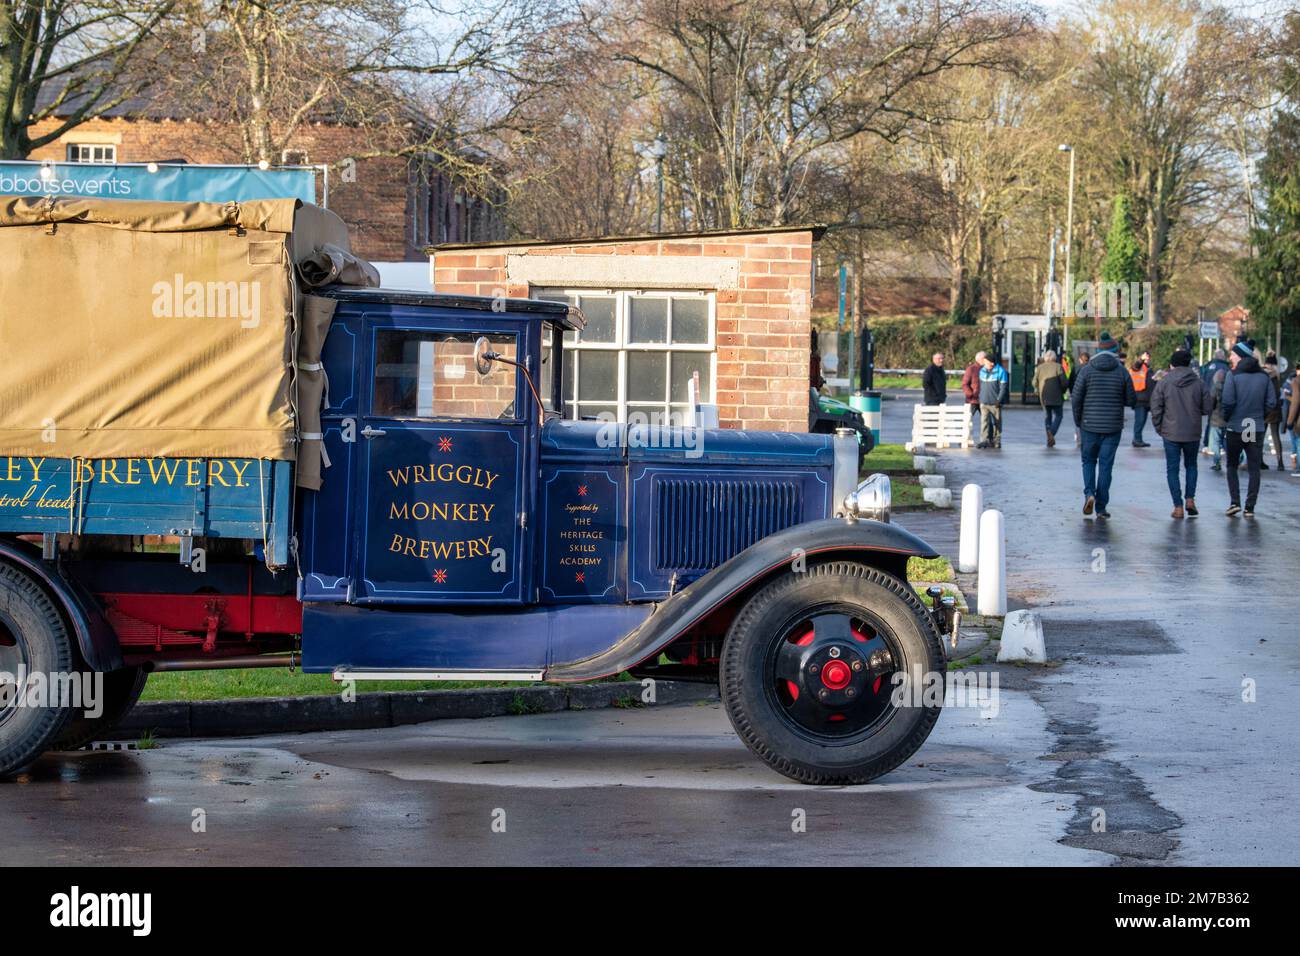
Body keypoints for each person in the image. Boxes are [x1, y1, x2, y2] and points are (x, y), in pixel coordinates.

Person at [1071, 331, 1135, 519]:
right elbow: (1131, 399)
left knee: (1088, 461)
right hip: (1113, 427)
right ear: (1116, 351)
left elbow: (1076, 398)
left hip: (1089, 425)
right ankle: (1101, 507)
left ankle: (1089, 493)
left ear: (1097, 350)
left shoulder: (1086, 370)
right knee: (1106, 466)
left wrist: (1078, 421)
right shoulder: (1122, 371)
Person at [1150, 349, 1211, 519]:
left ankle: (1178, 507)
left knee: (1172, 469)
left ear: (1172, 364)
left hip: (1170, 432)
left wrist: (1159, 427)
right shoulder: (1199, 383)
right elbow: (1207, 407)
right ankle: (1190, 499)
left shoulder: (1164, 382)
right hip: (1192, 432)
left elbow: (1155, 407)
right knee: (1191, 466)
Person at [1221, 341, 1277, 517]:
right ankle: (1250, 507)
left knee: (1231, 465)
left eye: (1233, 354)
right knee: (1254, 467)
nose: (1230, 357)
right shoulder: (1264, 377)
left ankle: (1234, 502)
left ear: (1240, 356)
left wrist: (1227, 417)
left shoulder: (1233, 375)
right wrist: (1260, 414)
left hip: (1236, 426)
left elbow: (1228, 402)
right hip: (1254, 426)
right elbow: (1272, 402)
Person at [1033, 349, 1068, 447]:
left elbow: (1034, 382)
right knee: (1059, 416)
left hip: (1044, 396)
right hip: (1057, 396)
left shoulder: (1040, 368)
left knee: (1047, 416)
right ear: (1054, 358)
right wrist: (1063, 391)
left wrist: (1039, 388)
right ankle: (1051, 433)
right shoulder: (1058, 367)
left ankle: (1049, 433)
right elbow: (1064, 382)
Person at [976, 353, 1009, 448]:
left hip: (995, 403)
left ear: (991, 363)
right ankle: (984, 440)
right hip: (984, 401)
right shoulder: (982, 370)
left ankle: (997, 440)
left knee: (997, 422)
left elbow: (1003, 388)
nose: (983, 363)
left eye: (985, 361)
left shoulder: (1001, 371)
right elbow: (980, 386)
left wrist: (999, 400)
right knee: (984, 422)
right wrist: (980, 397)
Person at [1199, 348, 1229, 452]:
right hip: (1220, 396)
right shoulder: (1225, 367)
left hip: (1207, 396)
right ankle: (1219, 444)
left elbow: (1201, 380)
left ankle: (1207, 442)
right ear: (1222, 356)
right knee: (1221, 422)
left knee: (1210, 420)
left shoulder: (1207, 367)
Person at [1263, 353, 1284, 471]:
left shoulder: (1262, 375)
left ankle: (1259, 461)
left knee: (1260, 436)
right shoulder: (1276, 376)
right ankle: (1280, 462)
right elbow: (1278, 393)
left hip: (1264, 410)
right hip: (1275, 410)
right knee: (1276, 436)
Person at [1129, 350, 1154, 446]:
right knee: (1139, 420)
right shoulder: (1138, 366)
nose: (1147, 359)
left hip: (1147, 399)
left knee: (1142, 421)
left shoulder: (1148, 368)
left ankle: (1138, 439)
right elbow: (1136, 365)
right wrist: (1141, 359)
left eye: (1148, 358)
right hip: (1139, 399)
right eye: (1145, 357)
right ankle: (1137, 440)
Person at [1067, 351, 1089, 447]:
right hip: (1087, 396)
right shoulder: (1090, 369)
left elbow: (1070, 382)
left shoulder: (1075, 368)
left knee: (1077, 415)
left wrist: (1072, 393)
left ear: (1080, 359)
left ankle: (1079, 437)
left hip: (1076, 395)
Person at [962, 351, 984, 439]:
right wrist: (971, 394)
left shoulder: (987, 369)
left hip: (984, 400)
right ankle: (963, 438)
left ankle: (987, 440)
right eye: (984, 358)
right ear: (979, 359)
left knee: (987, 421)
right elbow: (964, 384)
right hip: (972, 400)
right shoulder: (971, 369)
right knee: (967, 420)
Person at [1286, 367, 1300, 477]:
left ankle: (1299, 468)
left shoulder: (1296, 381)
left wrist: (1290, 421)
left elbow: (1296, 402)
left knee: (1299, 442)